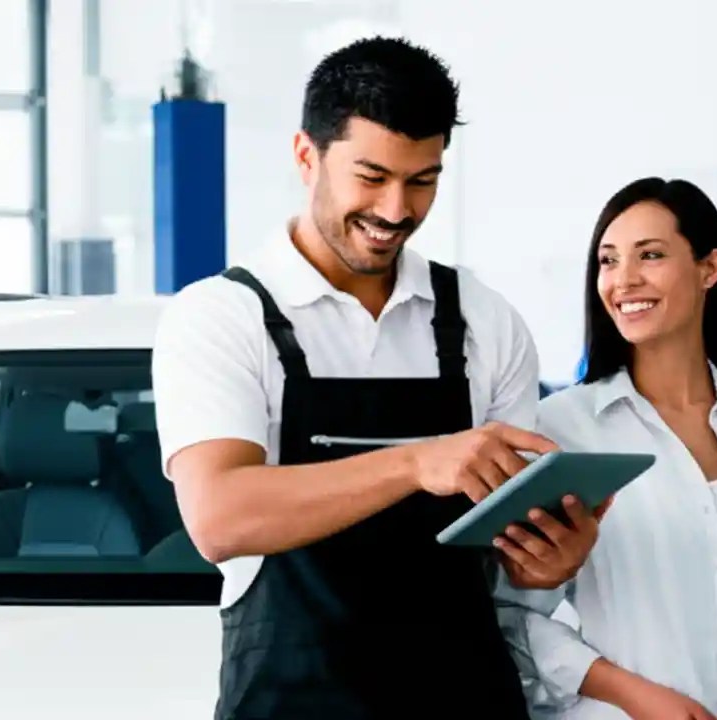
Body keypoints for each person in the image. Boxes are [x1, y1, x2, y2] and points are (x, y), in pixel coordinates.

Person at [152, 36, 605, 719]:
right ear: (307, 156)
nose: (396, 210)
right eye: (371, 177)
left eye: (423, 180)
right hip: (290, 701)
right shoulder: (222, 317)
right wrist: (417, 462)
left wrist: (548, 558)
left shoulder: (486, 321)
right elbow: (221, 517)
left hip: (462, 697)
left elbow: (512, 557)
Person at [495, 178, 717, 720]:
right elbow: (514, 617)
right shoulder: (561, 428)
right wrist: (634, 695)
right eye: (608, 260)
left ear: (709, 268)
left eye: (650, 255)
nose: (623, 280)